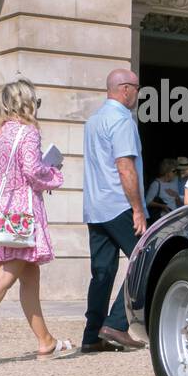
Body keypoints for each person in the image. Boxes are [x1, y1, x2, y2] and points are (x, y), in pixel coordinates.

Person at [0, 79, 77, 360]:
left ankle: (45, 341)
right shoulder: (28, 132)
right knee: (3, 279)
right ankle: (46, 341)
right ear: (25, 103)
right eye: (35, 102)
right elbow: (33, 170)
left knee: (30, 277)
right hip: (20, 216)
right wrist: (54, 173)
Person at [82, 67, 147, 352]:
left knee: (102, 272)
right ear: (125, 89)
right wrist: (137, 209)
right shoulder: (122, 121)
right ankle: (117, 324)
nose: (138, 94)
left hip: (95, 206)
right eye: (137, 88)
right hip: (119, 204)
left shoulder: (94, 121)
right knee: (145, 258)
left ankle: (92, 335)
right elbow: (125, 167)